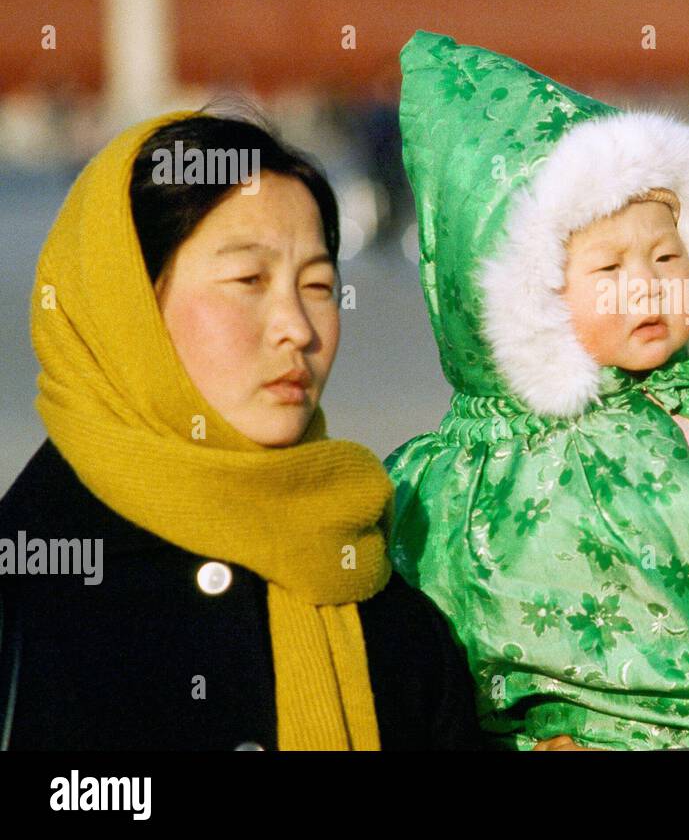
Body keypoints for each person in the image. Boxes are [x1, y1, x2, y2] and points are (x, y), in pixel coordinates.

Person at [386, 33, 689, 749]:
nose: (647, 284)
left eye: (664, 255)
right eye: (609, 269)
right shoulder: (487, 480)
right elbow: (483, 633)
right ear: (532, 297)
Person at [0, 112, 481, 750]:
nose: (297, 328)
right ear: (128, 303)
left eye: (317, 285)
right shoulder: (29, 593)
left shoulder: (380, 597)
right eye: (248, 281)